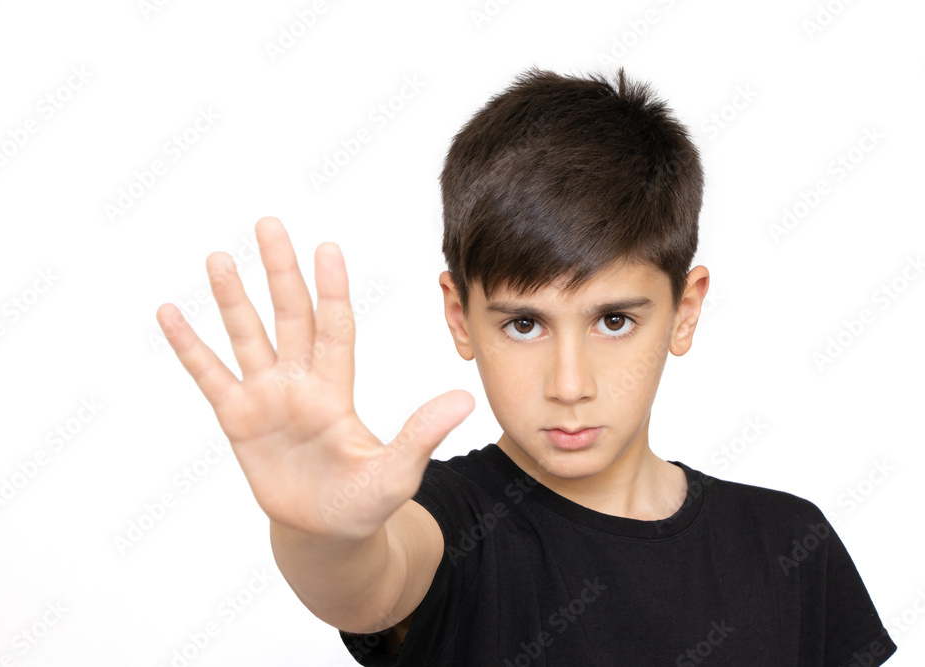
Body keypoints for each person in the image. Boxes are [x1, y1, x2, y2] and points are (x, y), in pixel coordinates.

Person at [155, 67, 897, 665]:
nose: (568, 383)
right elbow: (373, 581)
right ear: (459, 316)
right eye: (523, 322)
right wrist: (322, 533)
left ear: (687, 308)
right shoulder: (451, 521)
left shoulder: (785, 542)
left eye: (613, 320)